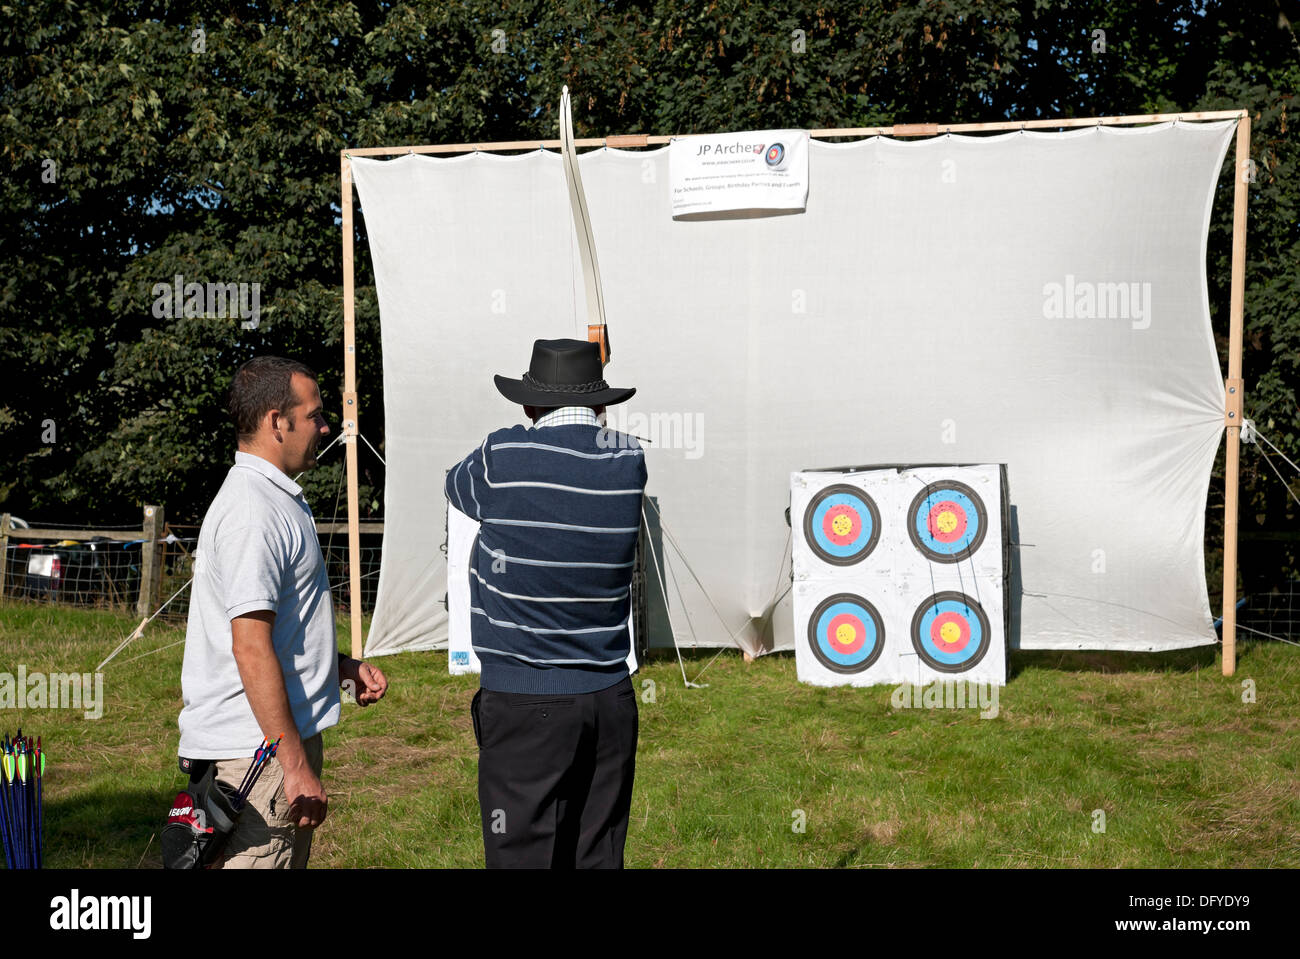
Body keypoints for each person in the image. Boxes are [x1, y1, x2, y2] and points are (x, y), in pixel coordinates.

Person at [177, 355, 388, 868]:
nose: (324, 426)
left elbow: (278, 631)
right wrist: (291, 763)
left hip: (266, 746)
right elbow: (249, 646)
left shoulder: (274, 498)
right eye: (315, 414)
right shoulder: (254, 512)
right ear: (277, 421)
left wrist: (337, 667)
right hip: (258, 756)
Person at [446, 338, 646, 869]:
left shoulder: (502, 454)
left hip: (525, 699)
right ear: (601, 403)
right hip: (609, 697)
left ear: (530, 406)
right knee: (597, 856)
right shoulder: (629, 458)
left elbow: (455, 487)